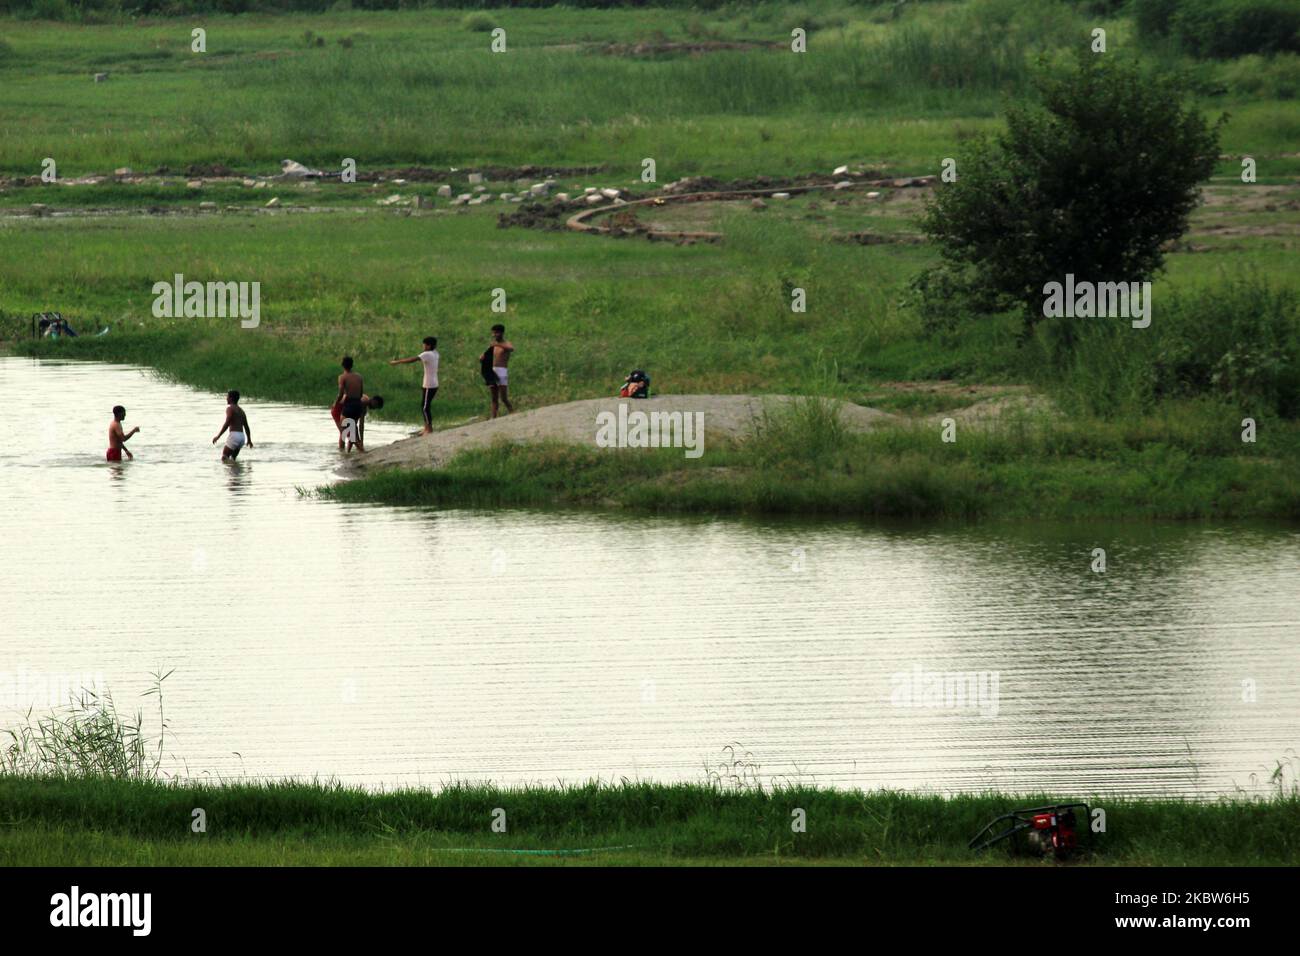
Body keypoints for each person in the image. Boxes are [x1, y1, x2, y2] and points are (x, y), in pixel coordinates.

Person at [389, 336, 439, 435]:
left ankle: (429, 429)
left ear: (428, 346)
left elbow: (412, 360)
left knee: (425, 407)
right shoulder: (435, 353)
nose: (423, 346)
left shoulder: (427, 354)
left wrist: (397, 362)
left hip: (430, 385)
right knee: (425, 406)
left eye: (424, 344)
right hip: (431, 383)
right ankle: (426, 428)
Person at [481, 323, 514, 419]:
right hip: (492, 370)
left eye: (496, 333)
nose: (494, 335)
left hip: (502, 371)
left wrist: (498, 345)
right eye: (493, 333)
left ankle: (512, 412)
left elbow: (511, 349)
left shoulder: (506, 343)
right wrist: (483, 357)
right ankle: (493, 417)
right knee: (494, 397)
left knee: (503, 397)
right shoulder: (493, 345)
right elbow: (484, 355)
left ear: (502, 333)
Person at [211, 390, 252, 461]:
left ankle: (227, 471)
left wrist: (218, 436)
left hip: (234, 436)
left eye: (227, 397)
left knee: (224, 457)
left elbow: (227, 422)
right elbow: (246, 426)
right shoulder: (241, 411)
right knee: (233, 459)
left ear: (231, 398)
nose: (226, 398)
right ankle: (236, 471)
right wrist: (249, 440)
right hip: (242, 437)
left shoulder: (230, 408)